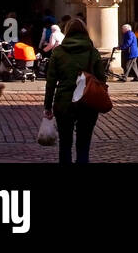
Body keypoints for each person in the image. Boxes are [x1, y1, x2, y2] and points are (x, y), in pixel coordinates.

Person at [43, 18, 107, 165]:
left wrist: (48, 105)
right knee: (84, 143)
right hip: (88, 100)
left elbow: (51, 82)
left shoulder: (58, 52)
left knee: (65, 143)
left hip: (64, 101)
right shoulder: (92, 52)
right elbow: (102, 78)